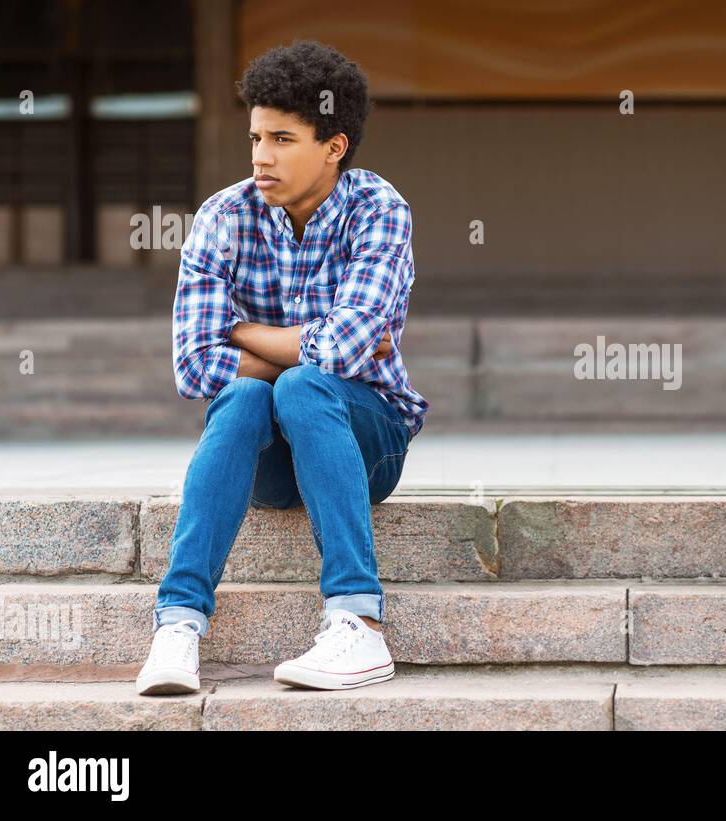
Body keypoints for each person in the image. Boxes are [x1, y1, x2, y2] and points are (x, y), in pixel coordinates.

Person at [137, 40, 428, 695]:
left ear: (334, 147)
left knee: (303, 384)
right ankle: (179, 624)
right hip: (270, 460)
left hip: (368, 440)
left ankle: (359, 624)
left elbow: (347, 352)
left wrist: (240, 332)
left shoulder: (378, 209)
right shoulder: (223, 217)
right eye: (254, 137)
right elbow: (193, 367)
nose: (260, 156)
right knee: (241, 399)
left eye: (282, 139)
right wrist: (306, 344)